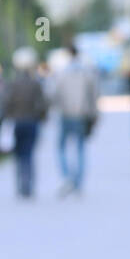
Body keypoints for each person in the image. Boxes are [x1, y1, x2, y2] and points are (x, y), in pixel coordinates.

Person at [46, 43, 98, 197]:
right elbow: (94, 95)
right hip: (82, 115)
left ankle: (67, 176)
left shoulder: (61, 73)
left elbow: (53, 94)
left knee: (61, 147)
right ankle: (78, 182)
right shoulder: (87, 73)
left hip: (65, 114)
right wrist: (94, 114)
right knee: (80, 148)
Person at [0, 47, 49, 197]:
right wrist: (41, 118)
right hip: (31, 122)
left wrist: (9, 116)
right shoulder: (35, 84)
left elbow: (5, 103)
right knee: (28, 154)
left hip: (16, 122)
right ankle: (28, 185)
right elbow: (42, 105)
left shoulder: (12, 83)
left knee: (18, 155)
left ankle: (21, 185)